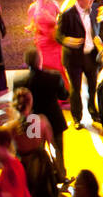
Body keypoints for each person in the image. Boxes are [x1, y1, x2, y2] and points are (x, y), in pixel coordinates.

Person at [7, 85, 63, 197]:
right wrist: (59, 169)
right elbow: (52, 146)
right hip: (42, 166)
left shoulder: (11, 127)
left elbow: (9, 153)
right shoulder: (41, 121)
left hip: (24, 168)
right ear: (31, 102)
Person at [13, 46, 68, 184]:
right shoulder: (54, 76)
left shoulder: (19, 81)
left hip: (33, 120)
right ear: (40, 60)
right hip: (53, 119)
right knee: (57, 150)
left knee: (37, 151)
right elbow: (64, 95)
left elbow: (19, 101)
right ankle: (61, 176)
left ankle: (40, 176)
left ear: (26, 62)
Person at [56, 0, 99, 129]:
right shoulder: (67, 14)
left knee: (93, 86)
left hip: (90, 56)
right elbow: (58, 35)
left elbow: (96, 29)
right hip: (74, 58)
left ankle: (93, 111)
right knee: (75, 89)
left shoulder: (93, 11)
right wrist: (66, 40)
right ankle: (77, 117)